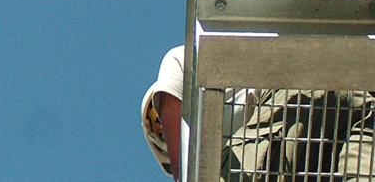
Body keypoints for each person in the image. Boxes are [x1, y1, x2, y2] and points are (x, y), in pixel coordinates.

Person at [142, 45, 375, 180]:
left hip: (298, 98)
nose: (162, 126)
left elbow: (169, 97)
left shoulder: (181, 63)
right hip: (348, 96)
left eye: (159, 120)